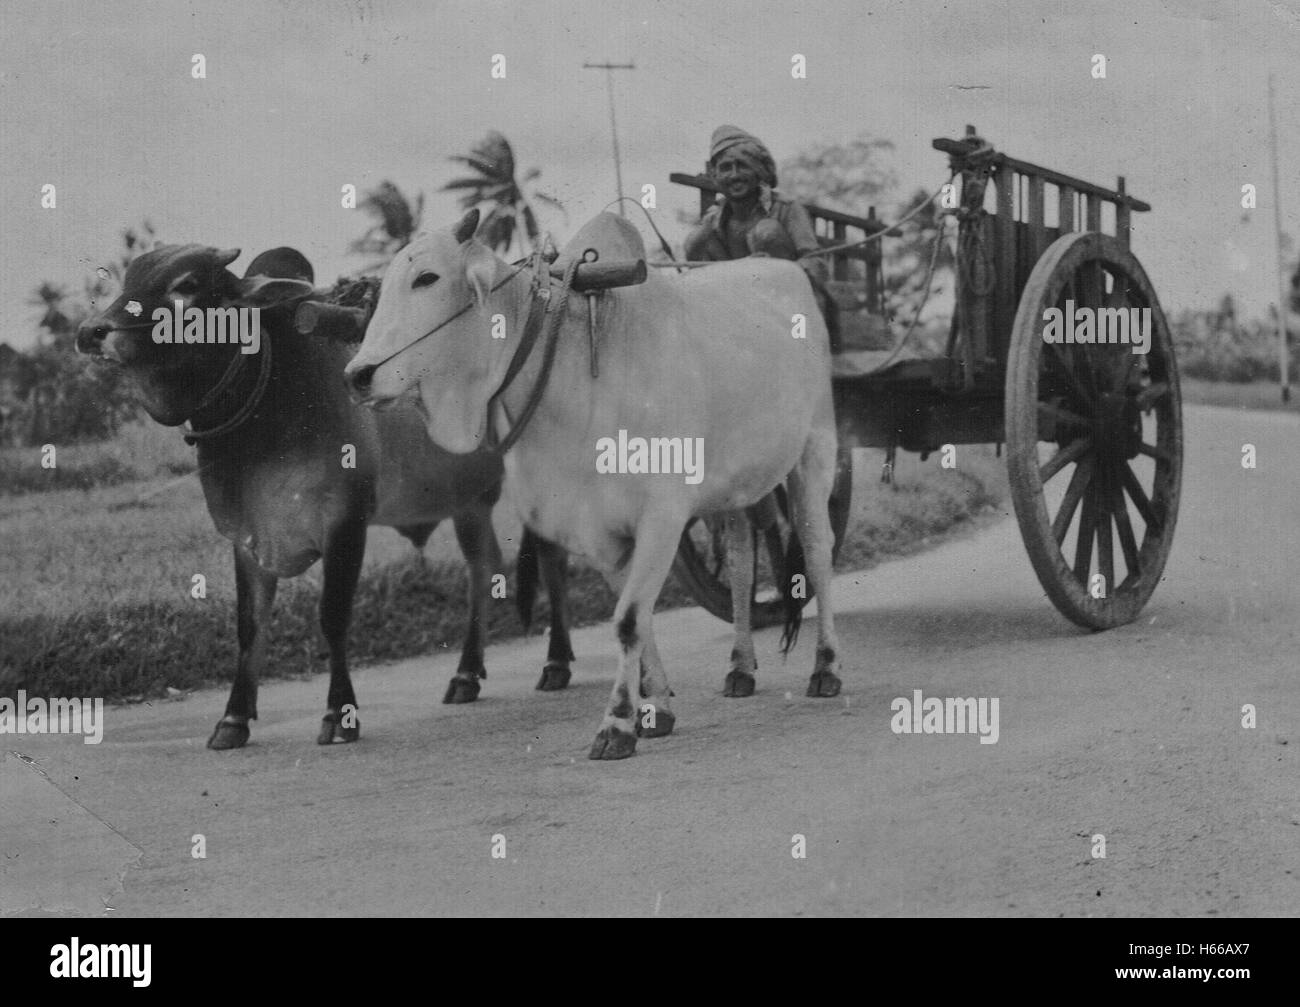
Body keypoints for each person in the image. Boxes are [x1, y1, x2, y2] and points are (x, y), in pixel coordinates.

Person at [684, 125, 829, 287]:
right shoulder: (714, 219)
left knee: (767, 231)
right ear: (715, 175)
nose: (734, 175)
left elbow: (816, 264)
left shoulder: (786, 208)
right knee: (697, 239)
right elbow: (695, 259)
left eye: (743, 166)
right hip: (739, 299)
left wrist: (775, 270)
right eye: (725, 168)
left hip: (786, 297)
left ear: (758, 170)